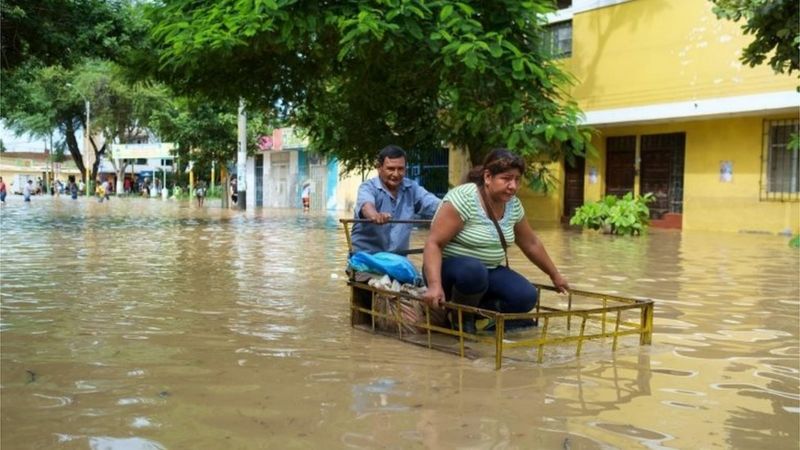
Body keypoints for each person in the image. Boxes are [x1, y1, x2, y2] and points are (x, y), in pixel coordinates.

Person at [422, 148, 569, 332]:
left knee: (527, 296)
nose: (513, 186)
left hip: (488, 271)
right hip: (449, 272)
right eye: (506, 179)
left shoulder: (513, 204)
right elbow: (433, 243)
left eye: (517, 180)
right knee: (474, 271)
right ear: (488, 177)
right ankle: (461, 319)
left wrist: (555, 275)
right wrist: (435, 285)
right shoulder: (464, 198)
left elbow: (531, 243)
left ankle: (480, 318)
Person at [350, 145, 441, 254]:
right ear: (379, 168)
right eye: (391, 169)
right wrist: (375, 215)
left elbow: (435, 205)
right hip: (367, 259)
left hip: (397, 261)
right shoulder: (368, 187)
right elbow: (366, 206)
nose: (396, 174)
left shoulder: (412, 188)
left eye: (400, 169)